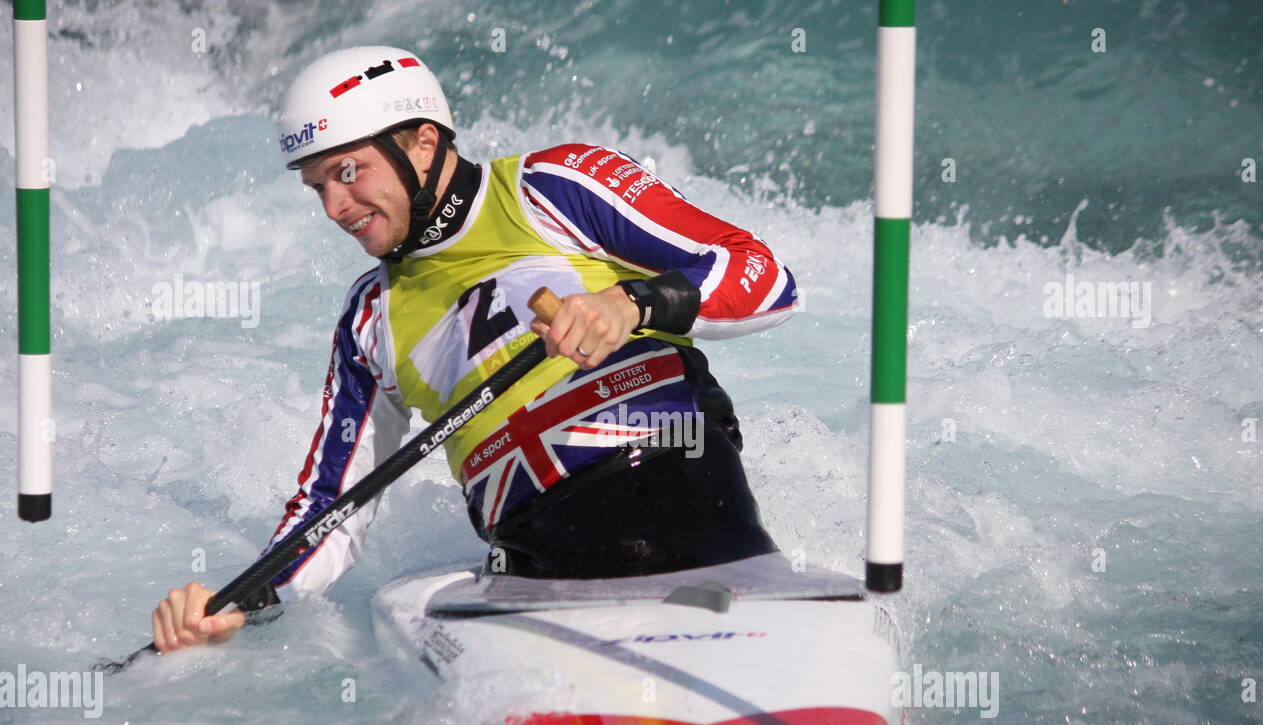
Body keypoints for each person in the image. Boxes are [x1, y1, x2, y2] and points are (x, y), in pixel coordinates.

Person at [151, 45, 798, 653]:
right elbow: (331, 509)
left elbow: (760, 274)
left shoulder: (555, 189)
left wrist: (634, 303)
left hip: (689, 504)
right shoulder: (369, 320)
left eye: (347, 172)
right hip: (537, 576)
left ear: (423, 143)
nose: (334, 206)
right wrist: (238, 603)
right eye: (316, 185)